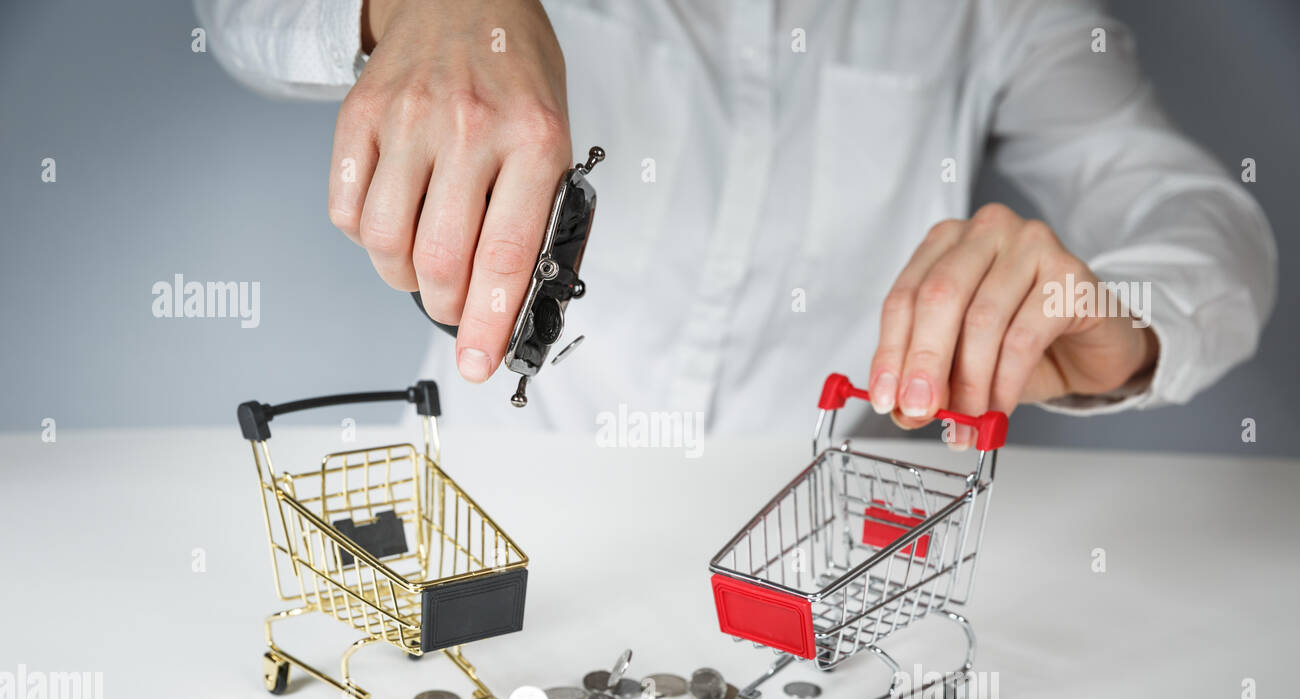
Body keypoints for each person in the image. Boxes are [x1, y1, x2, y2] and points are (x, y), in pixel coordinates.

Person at [195, 0, 1276, 440]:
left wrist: (1123, 322)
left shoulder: (997, 13)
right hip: (503, 499)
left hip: (805, 566)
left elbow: (1197, 216)